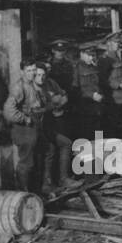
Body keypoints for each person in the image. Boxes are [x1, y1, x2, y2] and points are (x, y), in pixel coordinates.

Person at [2, 57, 49, 194]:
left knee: (38, 157)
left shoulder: (33, 85)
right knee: (26, 162)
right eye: (28, 70)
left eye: (34, 70)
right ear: (22, 72)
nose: (32, 73)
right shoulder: (19, 87)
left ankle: (37, 192)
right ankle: (24, 193)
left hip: (35, 127)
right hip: (23, 129)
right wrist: (25, 119)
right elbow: (8, 111)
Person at [38, 59, 74, 190]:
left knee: (56, 148)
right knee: (58, 147)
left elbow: (64, 95)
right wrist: (53, 103)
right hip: (40, 126)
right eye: (40, 73)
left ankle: (56, 181)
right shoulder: (35, 87)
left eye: (46, 71)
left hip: (51, 123)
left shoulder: (50, 83)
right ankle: (52, 182)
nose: (43, 76)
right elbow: (38, 108)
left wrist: (58, 102)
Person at [71, 43, 107, 142]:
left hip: (97, 104)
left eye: (93, 55)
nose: (91, 57)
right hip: (85, 105)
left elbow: (99, 84)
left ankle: (99, 151)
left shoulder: (93, 66)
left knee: (99, 129)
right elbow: (75, 89)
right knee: (87, 132)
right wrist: (91, 95)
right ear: (81, 54)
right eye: (89, 55)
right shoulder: (76, 67)